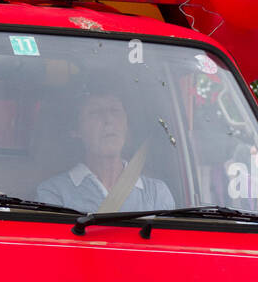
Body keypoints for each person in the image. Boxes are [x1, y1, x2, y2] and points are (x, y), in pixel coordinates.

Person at [34, 89, 175, 213]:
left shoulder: (156, 193)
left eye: (115, 111)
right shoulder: (54, 193)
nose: (109, 120)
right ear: (76, 130)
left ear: (126, 125)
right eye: (95, 113)